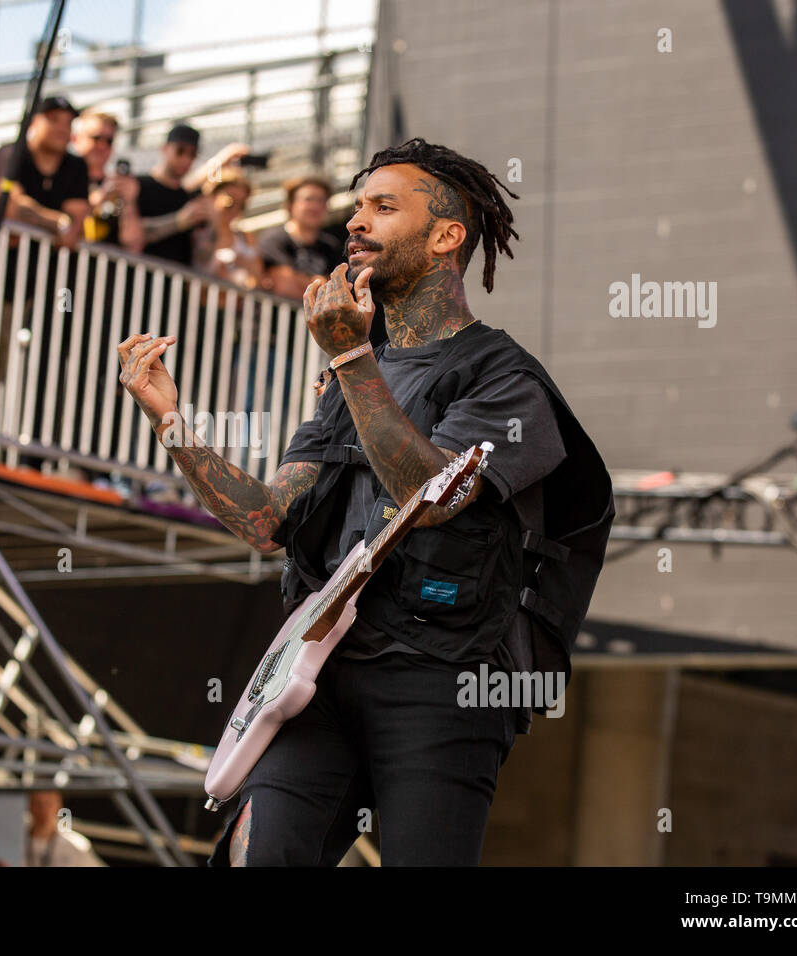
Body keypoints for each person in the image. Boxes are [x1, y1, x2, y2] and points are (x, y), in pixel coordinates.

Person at [117, 138, 614, 866]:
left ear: (447, 236)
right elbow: (268, 518)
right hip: (319, 673)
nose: (356, 223)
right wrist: (173, 423)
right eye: (356, 207)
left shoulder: (504, 380)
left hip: (444, 677)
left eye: (384, 207)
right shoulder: (356, 374)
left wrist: (352, 361)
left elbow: (431, 495)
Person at [136, 124, 248, 266]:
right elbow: (133, 235)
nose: (186, 160)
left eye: (192, 154)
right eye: (180, 151)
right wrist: (178, 222)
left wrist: (214, 225)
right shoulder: (139, 186)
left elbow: (202, 256)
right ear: (165, 149)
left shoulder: (188, 197)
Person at [0, 94, 89, 248]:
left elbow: (75, 227)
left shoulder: (77, 166)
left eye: (69, 122)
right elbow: (13, 207)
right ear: (33, 121)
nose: (62, 128)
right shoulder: (12, 153)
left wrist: (47, 220)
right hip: (4, 262)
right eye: (53, 119)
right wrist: (59, 222)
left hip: (50, 267)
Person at [258, 174, 342, 298]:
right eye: (308, 199)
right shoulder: (274, 240)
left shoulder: (331, 246)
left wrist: (302, 281)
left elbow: (337, 291)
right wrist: (320, 283)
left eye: (322, 200)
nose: (315, 206)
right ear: (290, 205)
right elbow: (284, 284)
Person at [73, 111, 142, 251]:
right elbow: (64, 225)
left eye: (109, 141)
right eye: (96, 138)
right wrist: (100, 197)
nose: (102, 146)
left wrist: (129, 202)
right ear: (75, 139)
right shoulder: (64, 176)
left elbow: (134, 245)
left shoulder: (117, 186)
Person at [192, 166, 261, 289]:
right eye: (229, 201)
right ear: (212, 196)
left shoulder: (246, 237)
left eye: (241, 205)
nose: (234, 209)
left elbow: (257, 279)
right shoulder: (196, 231)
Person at [23, 791, 105, 867]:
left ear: (58, 805)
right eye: (38, 804)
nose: (43, 810)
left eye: (48, 804)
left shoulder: (76, 845)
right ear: (29, 806)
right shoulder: (16, 842)